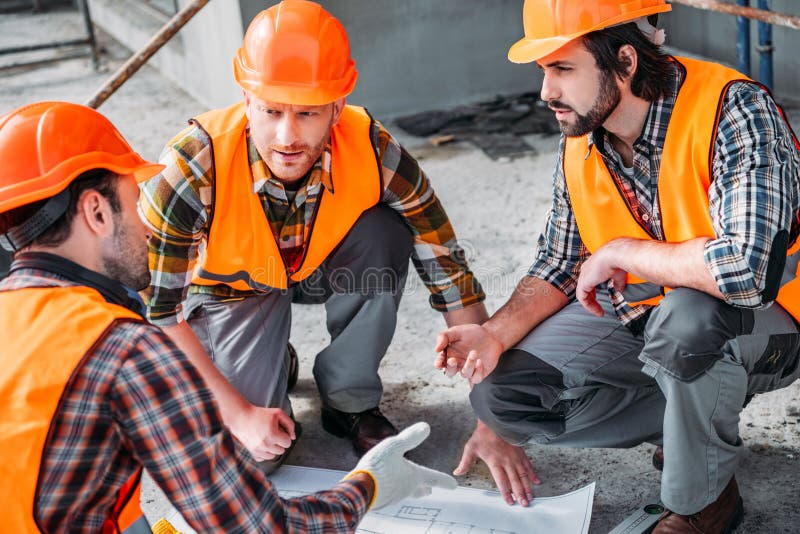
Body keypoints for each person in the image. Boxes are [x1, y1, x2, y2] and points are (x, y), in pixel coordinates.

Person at [0, 101, 456, 532]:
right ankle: (266, 355)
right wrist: (368, 488)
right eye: (134, 197)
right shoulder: (126, 352)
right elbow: (255, 525)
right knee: (250, 459)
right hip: (229, 297)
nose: (146, 222)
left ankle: (283, 362)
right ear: (96, 212)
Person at [435, 0, 800, 531]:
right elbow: (559, 263)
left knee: (689, 321)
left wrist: (622, 252)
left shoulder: (734, 109)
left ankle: (703, 503)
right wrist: (492, 335)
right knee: (502, 396)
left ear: (624, 63)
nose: (545, 92)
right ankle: (689, 435)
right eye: (544, 71)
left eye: (563, 69)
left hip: (771, 321)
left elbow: (747, 270)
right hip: (653, 321)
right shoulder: (582, 136)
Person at [139, 0, 488, 467]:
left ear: (337, 106)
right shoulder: (190, 166)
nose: (287, 136)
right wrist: (239, 413)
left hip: (323, 268)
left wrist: (492, 409)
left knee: (385, 231)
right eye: (271, 111)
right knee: (256, 457)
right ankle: (273, 361)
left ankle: (349, 402)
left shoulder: (373, 149)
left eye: (308, 114)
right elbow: (158, 311)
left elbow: (446, 265)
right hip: (233, 289)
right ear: (246, 99)